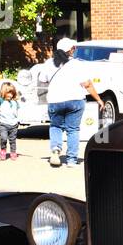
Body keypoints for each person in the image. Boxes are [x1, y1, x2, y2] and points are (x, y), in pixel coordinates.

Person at [44, 37, 101, 168]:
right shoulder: (77, 64)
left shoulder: (49, 63)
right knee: (73, 130)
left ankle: (55, 149)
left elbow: (43, 79)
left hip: (55, 100)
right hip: (75, 100)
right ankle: (71, 160)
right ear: (71, 50)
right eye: (74, 48)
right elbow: (87, 85)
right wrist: (98, 99)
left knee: (55, 126)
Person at [0, 81, 21, 161]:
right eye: (8, 93)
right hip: (3, 124)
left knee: (12, 140)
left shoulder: (15, 102)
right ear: (3, 93)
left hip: (13, 124)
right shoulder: (1, 100)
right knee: (3, 138)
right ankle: (3, 150)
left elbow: (18, 111)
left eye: (11, 93)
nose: (10, 95)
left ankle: (13, 152)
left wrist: (18, 120)